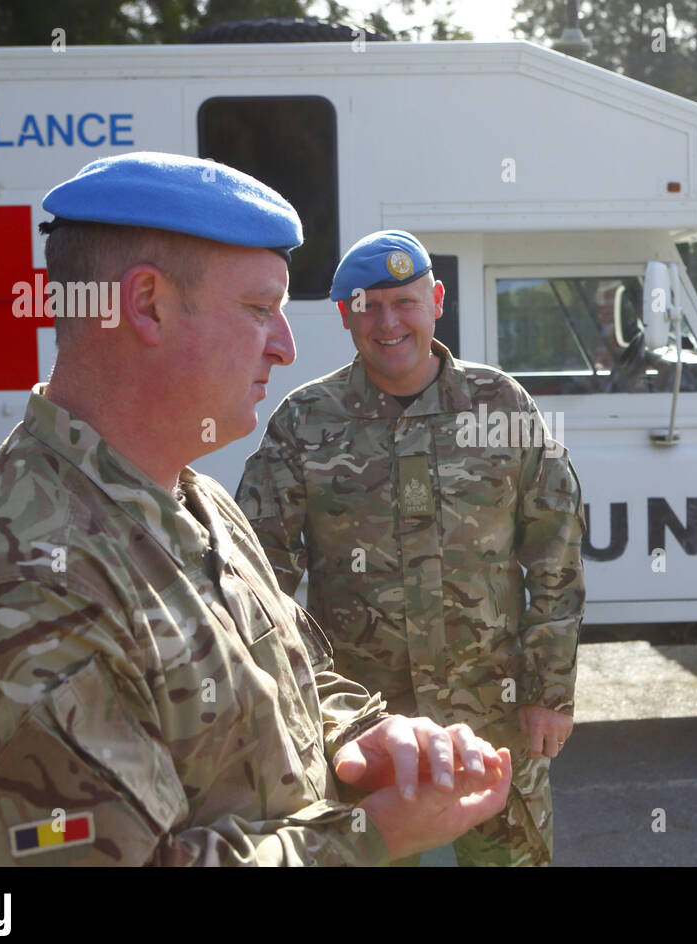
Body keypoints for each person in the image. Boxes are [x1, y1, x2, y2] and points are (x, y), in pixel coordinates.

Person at [0, 152, 511, 866]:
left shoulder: (194, 498)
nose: (285, 344)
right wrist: (373, 835)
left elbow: (279, 689)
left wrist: (360, 741)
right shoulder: (23, 587)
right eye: (258, 309)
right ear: (146, 304)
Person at [237, 230, 585, 866]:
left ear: (437, 301)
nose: (387, 321)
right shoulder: (304, 422)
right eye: (368, 305)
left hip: (495, 712)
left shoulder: (501, 406)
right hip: (367, 725)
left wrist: (550, 692)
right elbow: (261, 580)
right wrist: (283, 707)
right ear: (345, 314)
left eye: (405, 302)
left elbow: (555, 552)